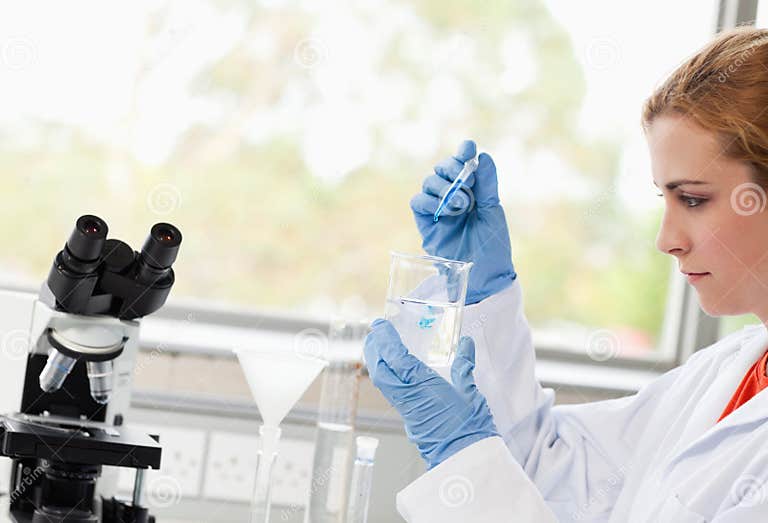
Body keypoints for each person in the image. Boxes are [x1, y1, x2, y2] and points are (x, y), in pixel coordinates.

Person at [364, 26, 768, 522]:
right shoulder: (728, 372)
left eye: (693, 199)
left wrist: (461, 455)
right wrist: (483, 297)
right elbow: (549, 478)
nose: (666, 240)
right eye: (663, 198)